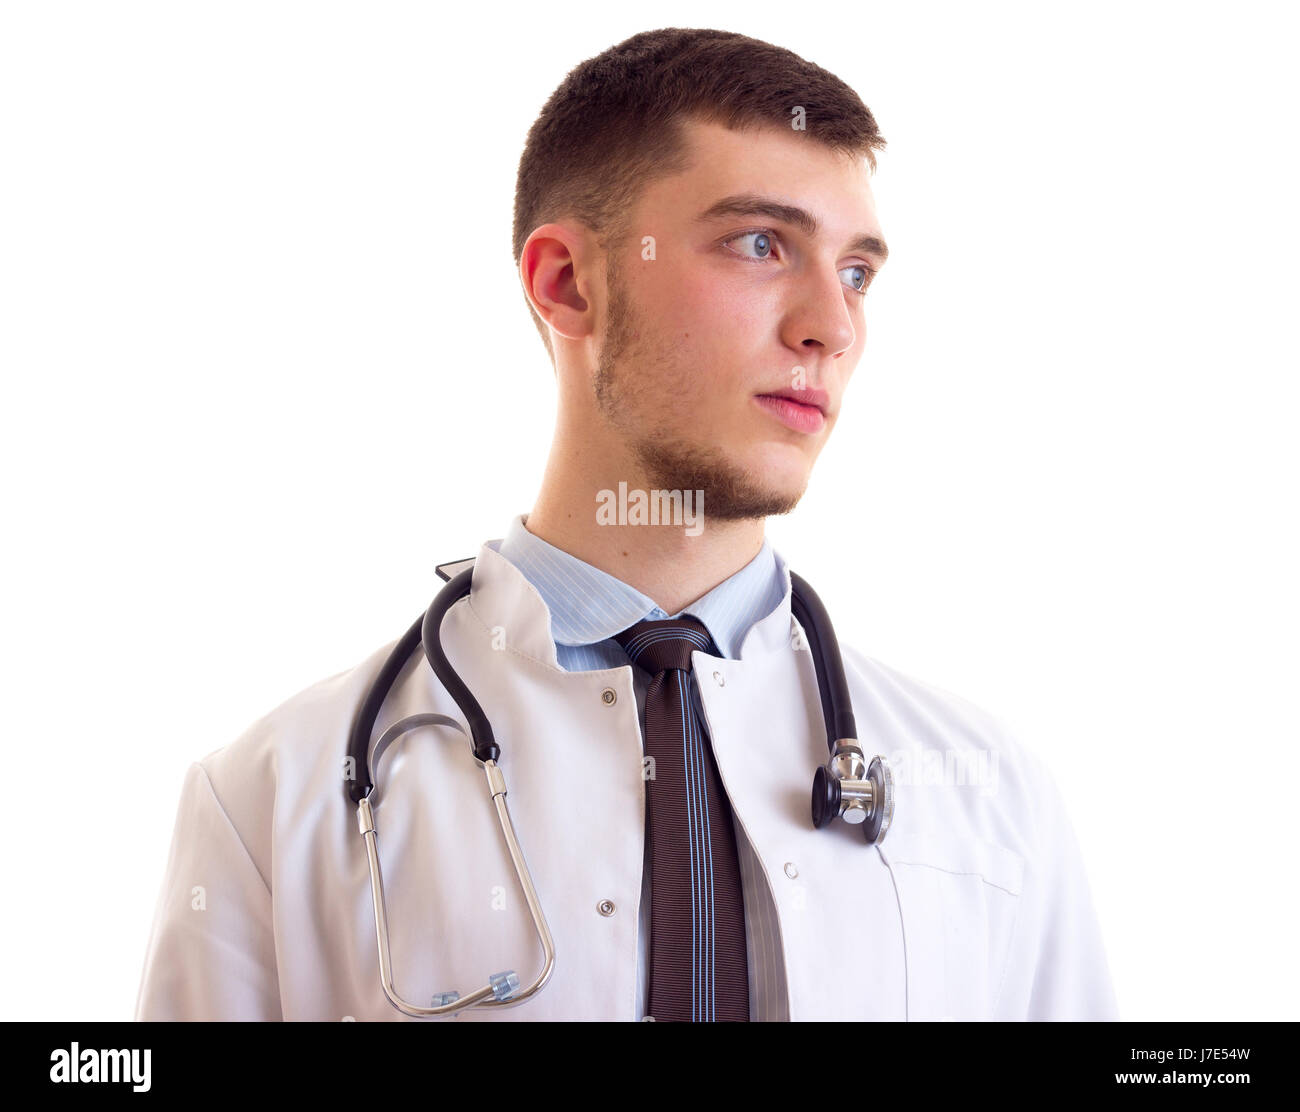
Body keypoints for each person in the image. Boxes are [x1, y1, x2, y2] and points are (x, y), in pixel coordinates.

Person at [134, 27, 1118, 1022]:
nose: (833, 323)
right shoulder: (273, 800)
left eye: (857, 270)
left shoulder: (991, 798)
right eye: (760, 243)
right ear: (567, 283)